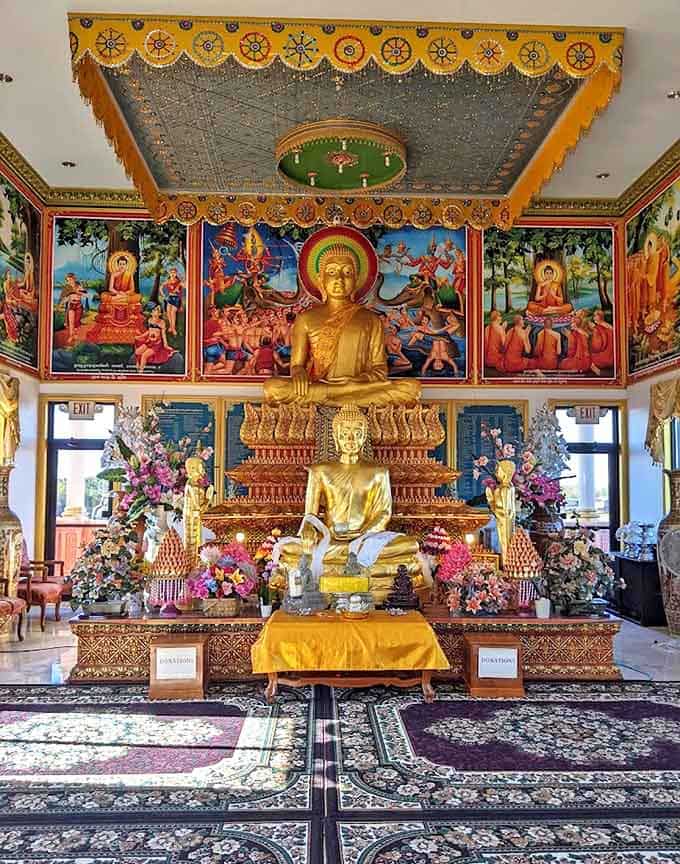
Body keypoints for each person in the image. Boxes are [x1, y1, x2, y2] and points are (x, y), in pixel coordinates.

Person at [263, 238, 420, 407]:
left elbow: (380, 369)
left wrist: (359, 381)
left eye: (347, 272)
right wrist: (299, 374)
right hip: (322, 387)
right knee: (273, 388)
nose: (339, 278)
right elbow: (297, 365)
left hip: (358, 387)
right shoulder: (306, 318)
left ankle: (338, 397)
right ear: (320, 279)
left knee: (411, 388)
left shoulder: (371, 319)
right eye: (331, 272)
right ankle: (342, 397)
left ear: (356, 279)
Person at [134, 306, 175, 372]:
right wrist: (140, 336)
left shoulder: (162, 322)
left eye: (156, 311)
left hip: (156, 344)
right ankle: (138, 366)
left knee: (144, 355)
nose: (153, 312)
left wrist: (165, 345)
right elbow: (148, 331)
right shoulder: (150, 320)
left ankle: (141, 372)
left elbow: (163, 335)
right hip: (149, 342)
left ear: (160, 314)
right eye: (153, 310)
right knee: (137, 352)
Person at [161, 267, 183, 336]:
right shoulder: (168, 281)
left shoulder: (178, 281)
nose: (173, 274)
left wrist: (179, 287)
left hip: (176, 298)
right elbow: (161, 287)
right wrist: (164, 295)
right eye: (171, 272)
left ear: (176, 273)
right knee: (168, 313)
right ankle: (171, 326)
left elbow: (184, 287)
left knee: (173, 313)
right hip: (169, 298)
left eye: (174, 272)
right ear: (169, 273)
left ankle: (173, 329)